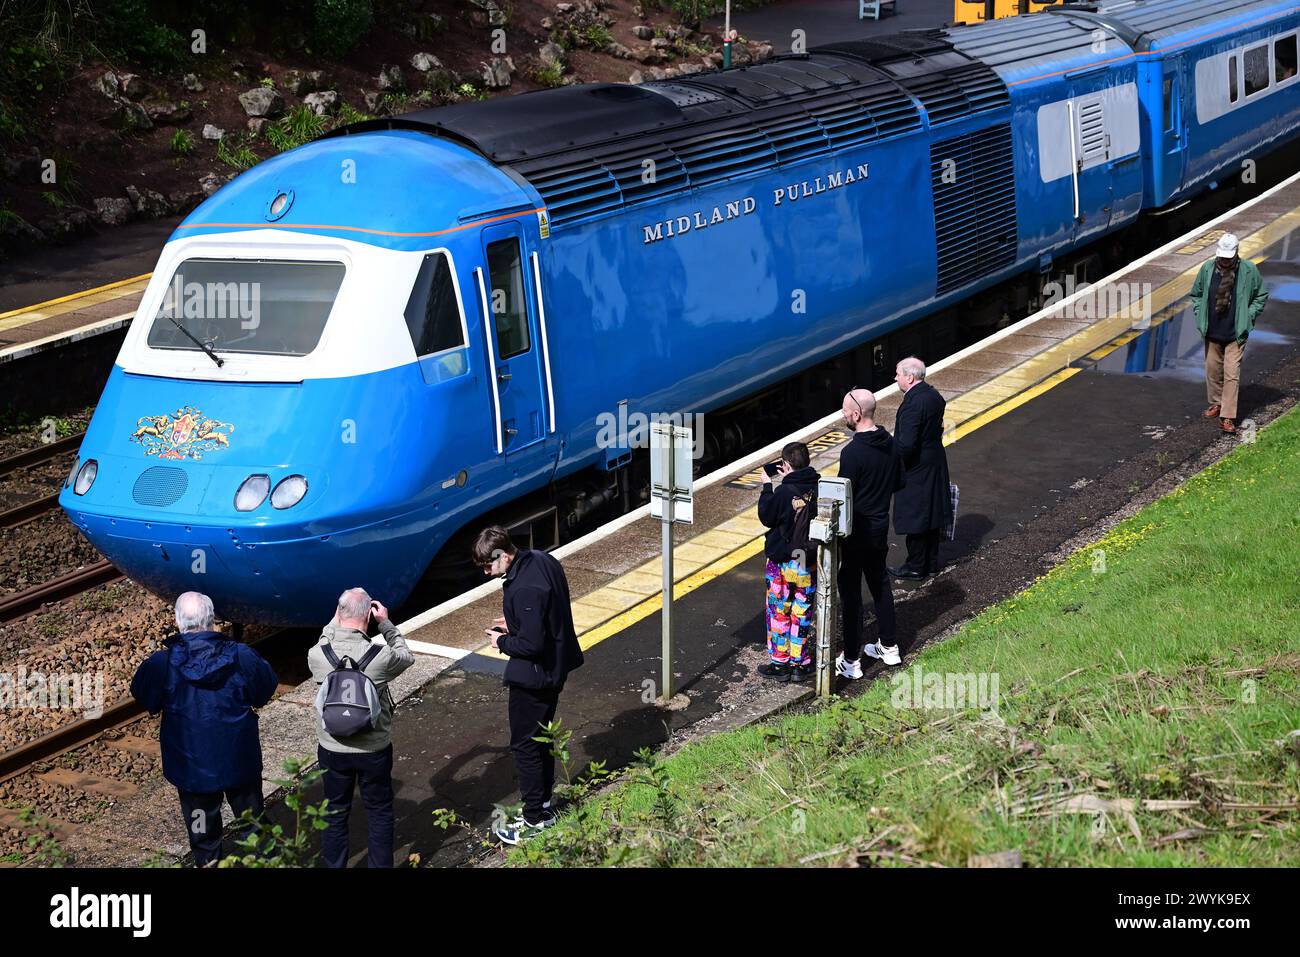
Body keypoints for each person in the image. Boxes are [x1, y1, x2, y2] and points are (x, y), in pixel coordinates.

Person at [130, 591, 277, 867]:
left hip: (192, 768)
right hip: (239, 762)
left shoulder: (162, 665)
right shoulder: (241, 656)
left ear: (178, 621)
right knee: (255, 824)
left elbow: (142, 692)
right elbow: (264, 689)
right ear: (212, 620)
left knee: (203, 837)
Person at [474, 525, 584, 844]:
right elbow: (548, 613)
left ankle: (534, 818)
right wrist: (518, 622)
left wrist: (503, 641)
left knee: (525, 745)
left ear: (503, 555)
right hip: (556, 666)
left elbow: (532, 645)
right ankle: (545, 808)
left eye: (488, 566)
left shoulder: (524, 588)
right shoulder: (541, 559)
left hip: (535, 676)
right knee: (541, 738)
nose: (485, 573)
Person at [307, 588, 414, 868]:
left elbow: (325, 636)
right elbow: (406, 656)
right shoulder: (380, 656)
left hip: (332, 748)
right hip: (373, 748)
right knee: (379, 811)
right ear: (369, 614)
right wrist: (386, 624)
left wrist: (336, 617)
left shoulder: (318, 655)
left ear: (339, 613)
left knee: (334, 812)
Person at [835, 388, 906, 677]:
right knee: (880, 584)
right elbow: (899, 482)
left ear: (856, 414)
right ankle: (889, 647)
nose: (842, 415)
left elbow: (843, 495)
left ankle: (851, 661)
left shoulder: (852, 452)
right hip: (879, 527)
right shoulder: (891, 445)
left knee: (850, 594)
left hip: (855, 532)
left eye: (844, 411)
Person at [1189, 233, 1269, 434]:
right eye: (1222, 256)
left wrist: (1249, 317)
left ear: (1236, 254)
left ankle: (1228, 416)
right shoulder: (1207, 269)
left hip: (1236, 333)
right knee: (1212, 370)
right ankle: (1216, 403)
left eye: (1228, 257)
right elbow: (1196, 294)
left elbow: (1261, 295)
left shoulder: (1249, 270)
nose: (1225, 261)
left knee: (1231, 374)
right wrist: (1200, 315)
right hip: (1212, 331)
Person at [757, 441, 821, 683]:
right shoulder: (820, 485)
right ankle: (800, 662)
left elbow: (766, 516)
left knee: (779, 610)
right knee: (801, 611)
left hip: (782, 563)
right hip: (807, 561)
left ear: (785, 465)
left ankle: (780, 663)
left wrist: (767, 486)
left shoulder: (783, 491)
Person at [889, 357, 953, 579]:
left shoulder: (912, 403)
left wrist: (893, 464)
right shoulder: (933, 395)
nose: (895, 377)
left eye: (898, 373)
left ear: (909, 376)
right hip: (934, 461)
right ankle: (931, 562)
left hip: (916, 468)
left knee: (915, 516)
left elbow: (906, 445)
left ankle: (915, 565)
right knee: (932, 514)